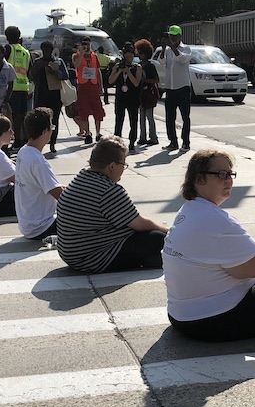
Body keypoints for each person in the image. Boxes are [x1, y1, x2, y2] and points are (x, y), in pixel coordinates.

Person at [163, 150, 255, 341]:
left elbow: (245, 259)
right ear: (199, 179)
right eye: (221, 174)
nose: (229, 180)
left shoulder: (190, 210)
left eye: (230, 174)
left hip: (181, 317)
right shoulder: (215, 221)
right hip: (212, 321)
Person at [55, 134, 168, 273]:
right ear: (112, 166)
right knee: (157, 238)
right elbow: (140, 224)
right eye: (123, 165)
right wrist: (169, 231)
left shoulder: (80, 179)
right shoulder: (108, 190)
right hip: (92, 258)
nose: (123, 170)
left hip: (70, 254)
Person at [15, 107, 64, 241]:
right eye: (51, 127)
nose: (52, 130)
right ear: (44, 132)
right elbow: (60, 195)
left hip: (27, 224)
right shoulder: (38, 161)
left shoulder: (24, 151)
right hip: (42, 226)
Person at [157, 24, 192, 151]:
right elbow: (161, 61)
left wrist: (172, 47)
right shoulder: (167, 50)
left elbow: (182, 59)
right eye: (170, 36)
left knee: (185, 116)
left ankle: (186, 142)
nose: (172, 38)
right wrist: (163, 48)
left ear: (180, 36)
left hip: (182, 87)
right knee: (170, 117)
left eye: (175, 36)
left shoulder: (186, 48)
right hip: (170, 87)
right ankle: (173, 141)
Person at [28, 40, 66, 156]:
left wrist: (55, 72)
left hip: (55, 96)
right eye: (44, 50)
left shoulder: (58, 61)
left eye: (48, 50)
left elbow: (65, 75)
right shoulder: (38, 62)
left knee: (54, 121)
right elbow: (30, 76)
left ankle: (52, 143)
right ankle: (39, 144)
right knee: (40, 121)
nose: (46, 52)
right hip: (41, 95)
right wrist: (37, 68)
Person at [108, 43, 142, 151]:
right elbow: (110, 81)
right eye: (127, 57)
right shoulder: (117, 66)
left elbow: (136, 83)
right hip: (121, 97)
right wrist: (119, 71)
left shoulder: (137, 67)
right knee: (119, 120)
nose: (129, 59)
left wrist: (128, 72)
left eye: (131, 57)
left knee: (133, 121)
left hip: (133, 98)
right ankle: (116, 141)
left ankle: (132, 141)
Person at [72, 36, 104, 144]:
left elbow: (98, 71)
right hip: (83, 86)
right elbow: (76, 65)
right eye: (84, 43)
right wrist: (81, 53)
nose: (86, 46)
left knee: (98, 110)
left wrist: (101, 85)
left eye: (88, 43)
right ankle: (88, 133)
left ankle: (98, 133)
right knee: (84, 111)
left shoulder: (94, 56)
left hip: (93, 86)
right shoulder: (76, 55)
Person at [135, 38, 159, 147]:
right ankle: (142, 137)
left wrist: (145, 80)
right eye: (138, 52)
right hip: (141, 93)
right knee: (141, 117)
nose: (139, 55)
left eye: (141, 53)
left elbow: (156, 80)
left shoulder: (151, 66)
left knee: (149, 116)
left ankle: (153, 137)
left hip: (149, 92)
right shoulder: (138, 65)